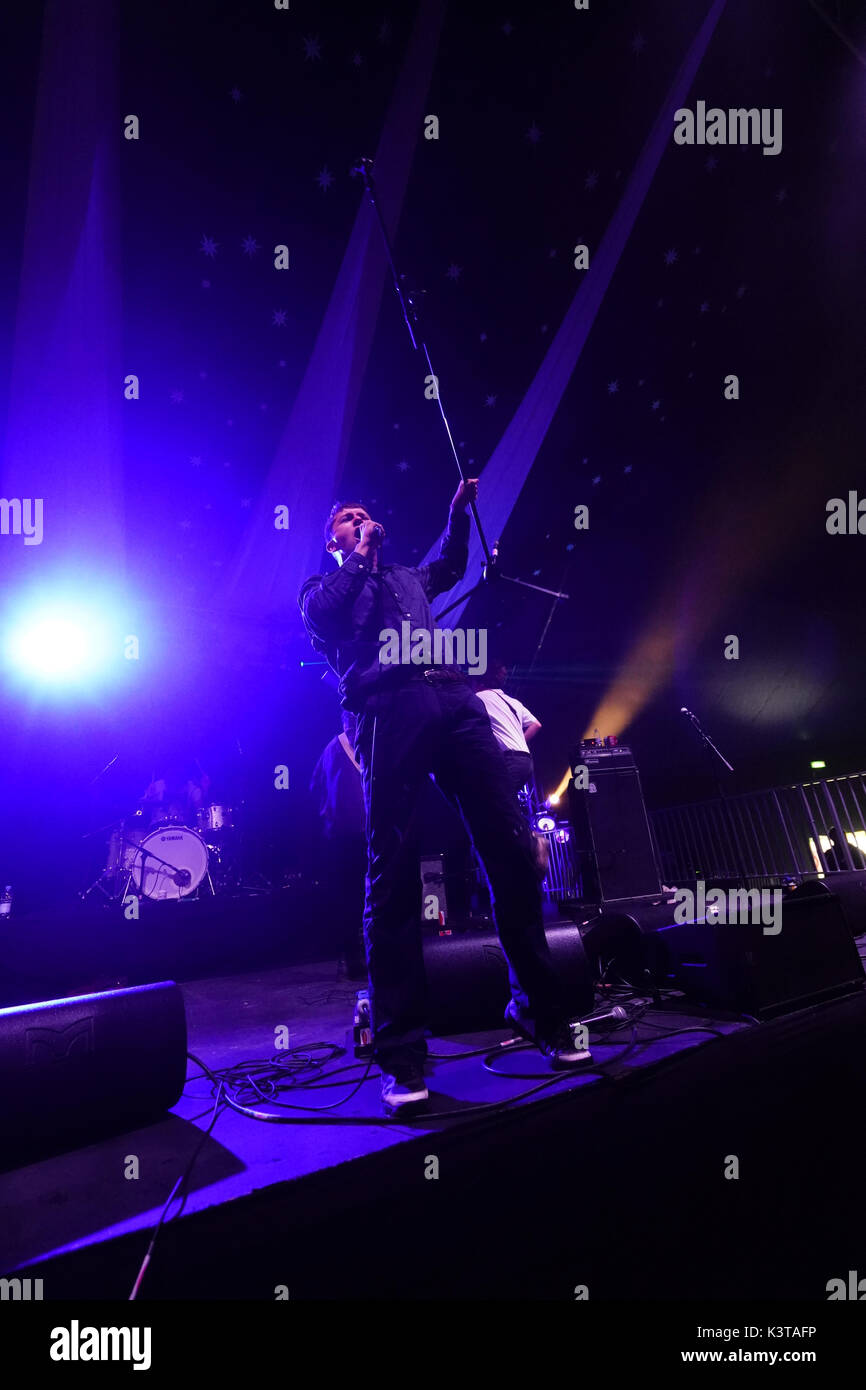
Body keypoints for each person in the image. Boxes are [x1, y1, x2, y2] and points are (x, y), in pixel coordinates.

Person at [298, 481, 586, 1113]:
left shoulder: (405, 577)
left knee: (510, 849)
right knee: (394, 870)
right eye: (349, 519)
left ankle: (541, 1011)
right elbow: (333, 613)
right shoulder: (321, 589)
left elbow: (452, 566)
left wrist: (456, 516)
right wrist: (359, 559)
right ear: (332, 541)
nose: (362, 518)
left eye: (367, 513)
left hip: (452, 697)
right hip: (387, 705)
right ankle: (403, 1056)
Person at [309, 710, 368, 979]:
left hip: (368, 833)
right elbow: (316, 788)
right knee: (350, 896)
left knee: (367, 894)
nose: (354, 725)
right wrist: (329, 814)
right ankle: (352, 957)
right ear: (344, 721)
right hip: (345, 835)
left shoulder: (369, 744)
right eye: (351, 720)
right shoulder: (334, 749)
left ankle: (370, 953)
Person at [470, 660, 542, 803]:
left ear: (479, 682)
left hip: (510, 760)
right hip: (525, 760)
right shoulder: (513, 701)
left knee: (494, 803)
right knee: (505, 803)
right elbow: (536, 724)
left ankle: (519, 826)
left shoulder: (479, 698)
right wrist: (519, 741)